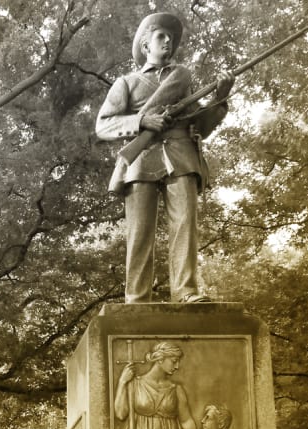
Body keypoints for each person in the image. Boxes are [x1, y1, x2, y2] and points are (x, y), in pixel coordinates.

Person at [96, 13, 234, 304]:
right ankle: (136, 298)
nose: (168, 40)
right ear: (145, 43)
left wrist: (219, 99)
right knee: (140, 231)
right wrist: (142, 121)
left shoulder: (182, 81)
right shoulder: (127, 82)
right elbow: (104, 124)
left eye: (171, 38)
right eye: (161, 35)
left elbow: (202, 127)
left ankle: (186, 291)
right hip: (141, 158)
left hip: (181, 155)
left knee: (185, 224)